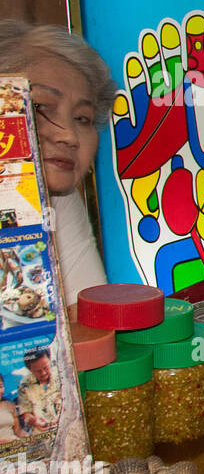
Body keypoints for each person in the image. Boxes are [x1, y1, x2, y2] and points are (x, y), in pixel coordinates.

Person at [0, 21, 114, 318]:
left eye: (82, 118)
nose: (69, 136)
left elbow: (87, 322)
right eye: (41, 108)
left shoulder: (58, 200)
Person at [15, 348, 60, 433]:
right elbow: (25, 412)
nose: (43, 373)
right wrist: (35, 421)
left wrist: (61, 417)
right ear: (30, 370)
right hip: (41, 434)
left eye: (46, 367)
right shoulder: (24, 385)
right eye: (38, 371)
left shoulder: (61, 375)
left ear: (49, 360)